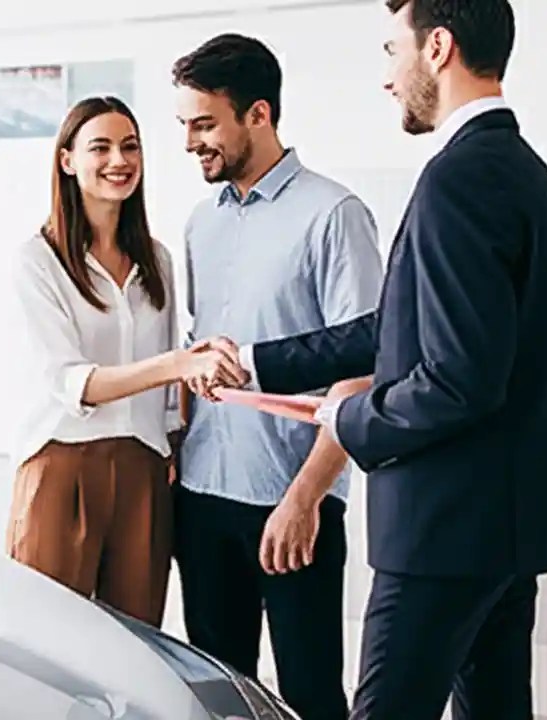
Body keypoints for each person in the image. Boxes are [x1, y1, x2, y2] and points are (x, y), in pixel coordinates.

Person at [184, 2, 547, 718]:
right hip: (505, 525)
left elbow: (459, 381)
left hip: (444, 530)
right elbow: (398, 328)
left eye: (390, 50)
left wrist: (348, 417)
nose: (386, 78)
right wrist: (252, 360)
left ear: (437, 47)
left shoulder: (460, 181)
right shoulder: (524, 173)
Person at [169, 34, 382, 720]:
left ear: (258, 114)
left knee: (310, 695)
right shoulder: (201, 223)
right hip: (202, 498)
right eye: (184, 126)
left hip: (293, 502)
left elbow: (363, 367)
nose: (191, 143)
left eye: (204, 124)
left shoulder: (333, 214)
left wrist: (306, 498)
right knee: (219, 691)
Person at [6, 95, 244, 627]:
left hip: (144, 471)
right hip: (62, 467)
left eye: (130, 146)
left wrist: (175, 437)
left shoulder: (156, 258)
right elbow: (72, 382)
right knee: (46, 642)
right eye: (101, 147)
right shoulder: (37, 260)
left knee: (137, 642)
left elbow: (165, 398)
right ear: (67, 160)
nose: (120, 160)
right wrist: (179, 364)